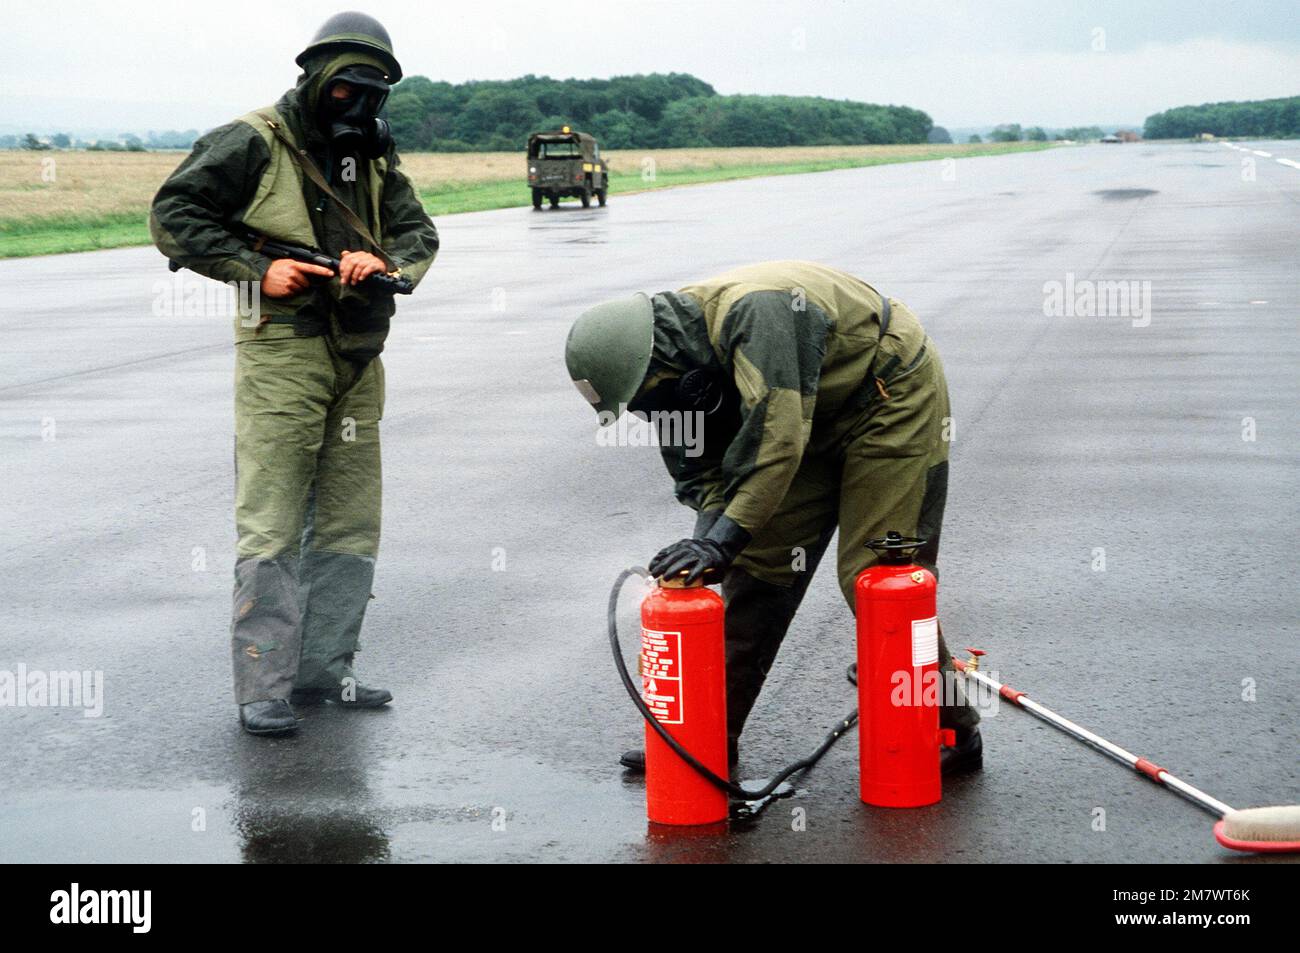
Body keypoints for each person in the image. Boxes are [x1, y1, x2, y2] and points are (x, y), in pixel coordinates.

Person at [565, 261, 982, 773]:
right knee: (758, 569)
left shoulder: (761, 314)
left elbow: (778, 442)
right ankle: (708, 734)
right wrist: (711, 552)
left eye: (650, 400)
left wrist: (721, 540)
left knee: (878, 578)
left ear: (666, 368)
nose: (653, 414)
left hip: (886, 395)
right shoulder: (676, 382)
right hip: (803, 412)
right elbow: (702, 477)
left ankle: (951, 727)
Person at [150, 12, 440, 735]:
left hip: (358, 351)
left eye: (372, 92)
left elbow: (418, 231)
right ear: (315, 76)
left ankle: (324, 671)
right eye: (346, 89)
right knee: (274, 516)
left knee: (349, 517)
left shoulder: (373, 153)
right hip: (283, 348)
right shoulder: (251, 139)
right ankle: (264, 685)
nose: (358, 105)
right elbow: (174, 213)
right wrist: (255, 269)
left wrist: (388, 263)